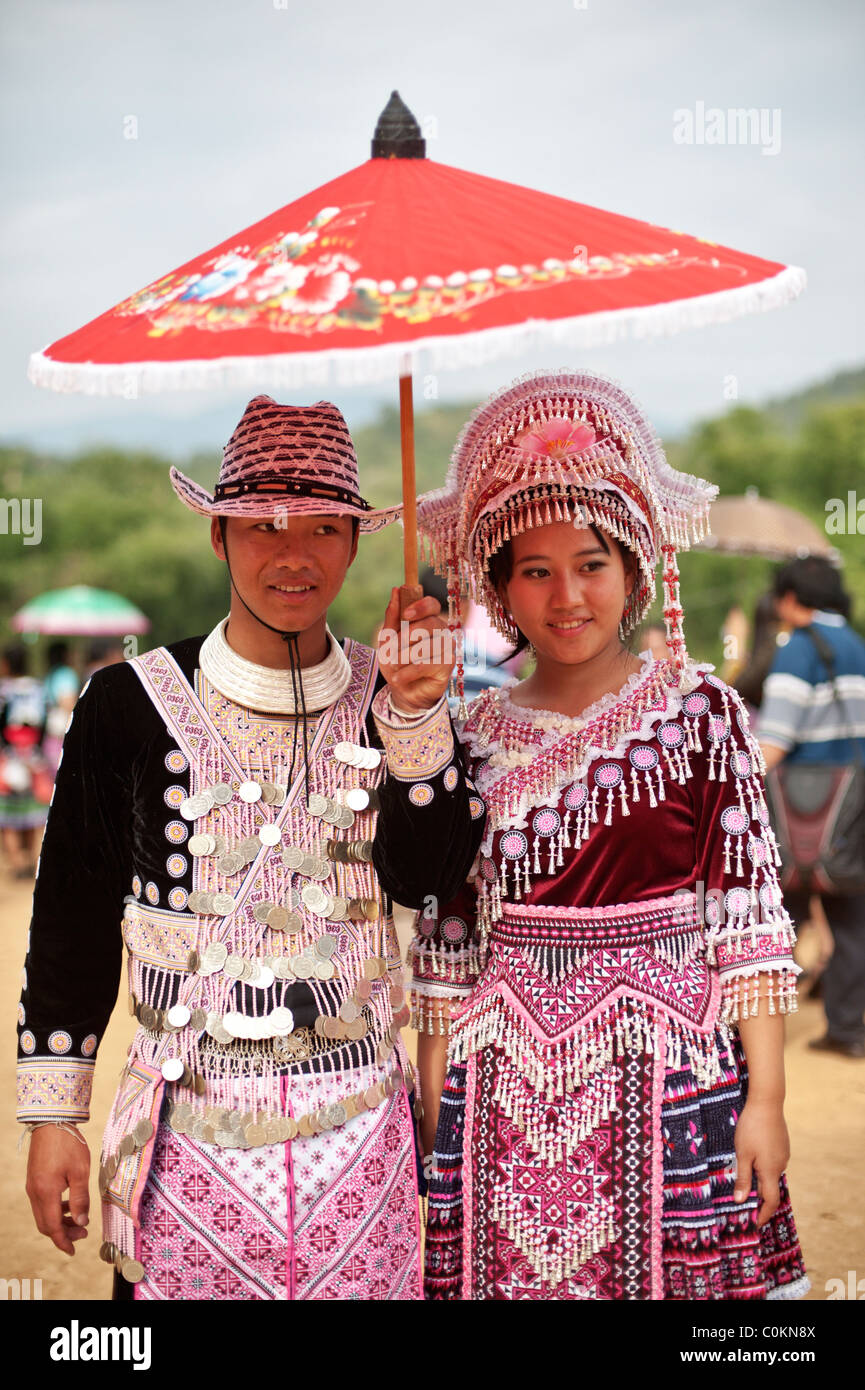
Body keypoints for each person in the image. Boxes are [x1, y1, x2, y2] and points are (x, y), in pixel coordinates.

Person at [16, 394, 480, 1301]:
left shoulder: (396, 696)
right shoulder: (127, 705)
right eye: (264, 526)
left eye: (321, 527)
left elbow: (428, 882)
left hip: (361, 1143)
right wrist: (55, 1117)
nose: (293, 554)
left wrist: (419, 715)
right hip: (186, 1145)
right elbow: (71, 913)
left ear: (355, 542)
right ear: (219, 535)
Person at [373, 370, 810, 1300]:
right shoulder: (470, 735)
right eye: (534, 571)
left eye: (591, 565)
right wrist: (435, 1103)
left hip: (672, 1071)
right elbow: (447, 944)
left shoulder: (700, 714)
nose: (565, 596)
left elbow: (749, 929)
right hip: (499, 1083)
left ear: (635, 574)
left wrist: (764, 1102)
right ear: (497, 588)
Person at [757, 556, 865, 1060]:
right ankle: (846, 1028)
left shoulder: (799, 649)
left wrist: (729, 778)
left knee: (777, 915)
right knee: (850, 917)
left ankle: (755, 1029)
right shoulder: (856, 645)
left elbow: (775, 741)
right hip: (854, 805)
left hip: (803, 807)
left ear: (793, 599)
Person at [0, 644, 49, 878]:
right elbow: (46, 722)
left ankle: (18, 863)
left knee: (9, 815)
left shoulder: (4, 691)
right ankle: (32, 861)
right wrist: (35, 753)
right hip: (35, 756)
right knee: (34, 813)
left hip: (9, 757)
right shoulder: (39, 688)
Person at [42, 640, 80, 773]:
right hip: (64, 731)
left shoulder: (50, 674)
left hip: (52, 731)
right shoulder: (66, 674)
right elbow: (68, 703)